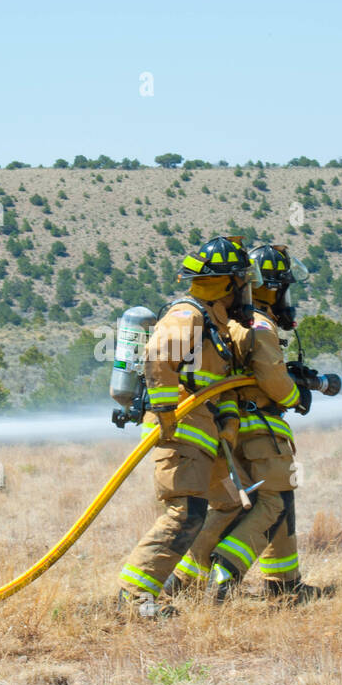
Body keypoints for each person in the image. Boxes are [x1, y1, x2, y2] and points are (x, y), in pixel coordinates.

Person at [167, 244, 323, 601]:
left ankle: (189, 582)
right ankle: (228, 570)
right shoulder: (261, 325)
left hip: (230, 428)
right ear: (271, 286)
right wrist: (296, 396)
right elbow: (272, 380)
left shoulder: (230, 324)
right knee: (275, 503)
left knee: (237, 507)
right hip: (260, 430)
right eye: (283, 286)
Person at [115, 237, 254, 617]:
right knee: (185, 513)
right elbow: (160, 358)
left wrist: (229, 420)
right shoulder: (187, 315)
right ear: (226, 284)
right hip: (182, 436)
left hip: (207, 439)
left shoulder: (215, 326)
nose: (247, 289)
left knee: (232, 504)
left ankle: (183, 580)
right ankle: (134, 596)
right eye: (243, 281)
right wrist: (166, 415)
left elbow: (219, 383)